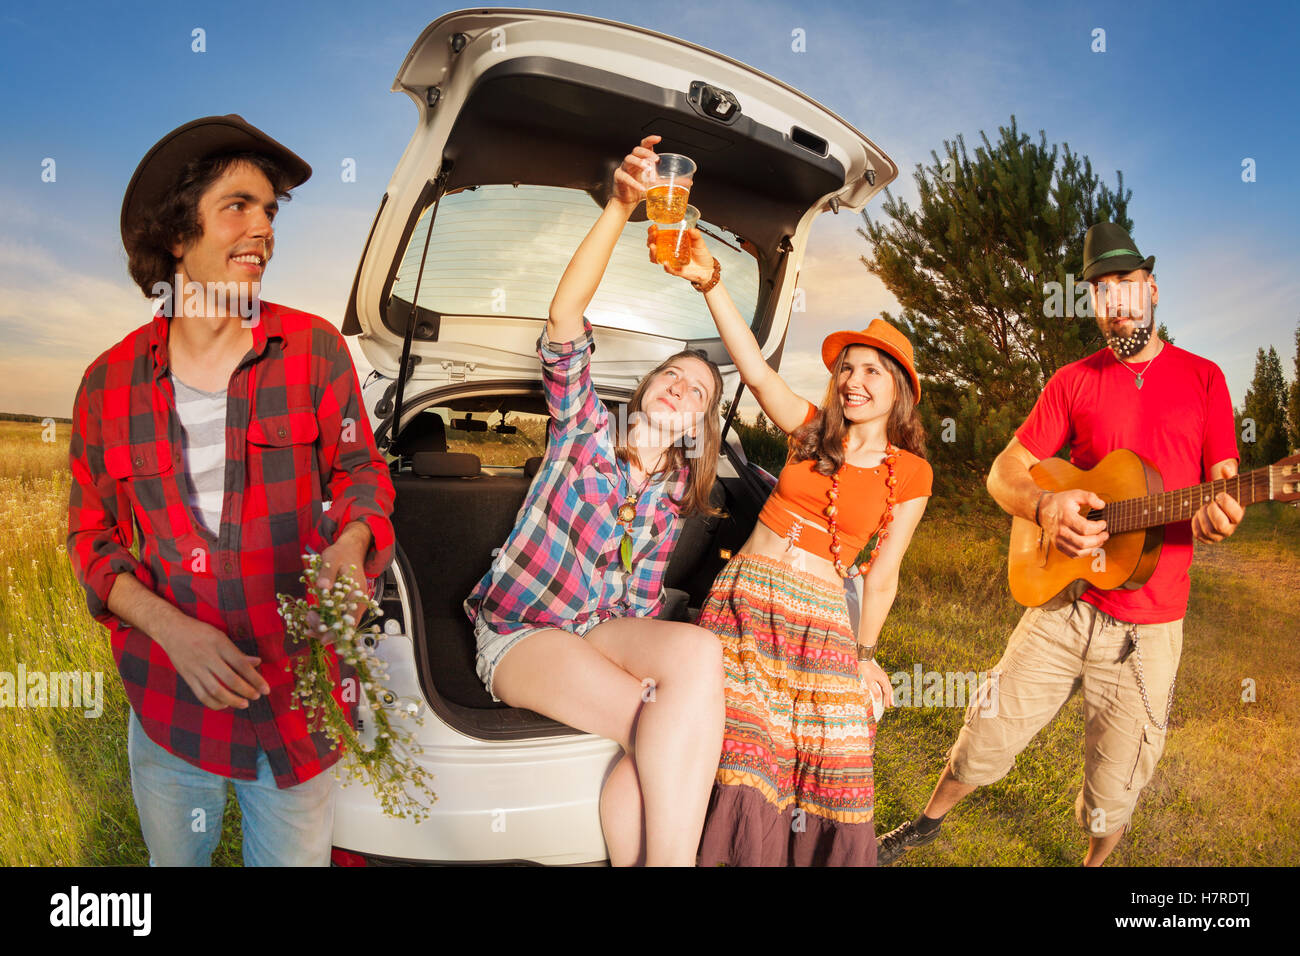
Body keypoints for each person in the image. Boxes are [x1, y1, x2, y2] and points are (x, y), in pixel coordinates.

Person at [67, 114, 396, 866]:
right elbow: (93, 542)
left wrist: (352, 541)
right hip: (170, 702)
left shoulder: (312, 350)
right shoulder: (107, 384)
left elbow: (359, 473)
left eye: (272, 210)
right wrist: (172, 632)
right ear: (178, 237)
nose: (265, 229)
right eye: (238, 206)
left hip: (294, 696)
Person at [877, 222, 1242, 867]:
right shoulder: (1073, 381)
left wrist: (1223, 511)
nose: (1115, 302)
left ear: (1152, 289)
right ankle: (926, 824)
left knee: (1114, 788)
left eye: (1126, 284)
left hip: (1148, 627)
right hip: (1063, 603)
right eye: (1100, 291)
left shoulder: (1206, 379)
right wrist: (1045, 504)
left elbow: (1223, 479)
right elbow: (1004, 471)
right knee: (985, 731)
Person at [463, 135, 726, 867]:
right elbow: (564, 316)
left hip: (602, 633)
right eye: (673, 374)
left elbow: (639, 609)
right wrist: (619, 207)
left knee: (695, 662)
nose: (681, 385)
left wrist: (653, 666)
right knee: (657, 725)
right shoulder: (583, 429)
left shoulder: (674, 493)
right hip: (524, 632)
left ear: (698, 424)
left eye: (697, 392)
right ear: (646, 389)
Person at [648, 223, 933, 865]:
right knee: (743, 747)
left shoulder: (911, 473)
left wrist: (864, 654)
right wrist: (713, 283)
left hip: (821, 622)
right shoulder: (809, 432)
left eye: (870, 371)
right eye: (846, 370)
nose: (853, 381)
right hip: (745, 600)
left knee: (825, 759)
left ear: (898, 388)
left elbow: (883, 575)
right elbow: (750, 363)